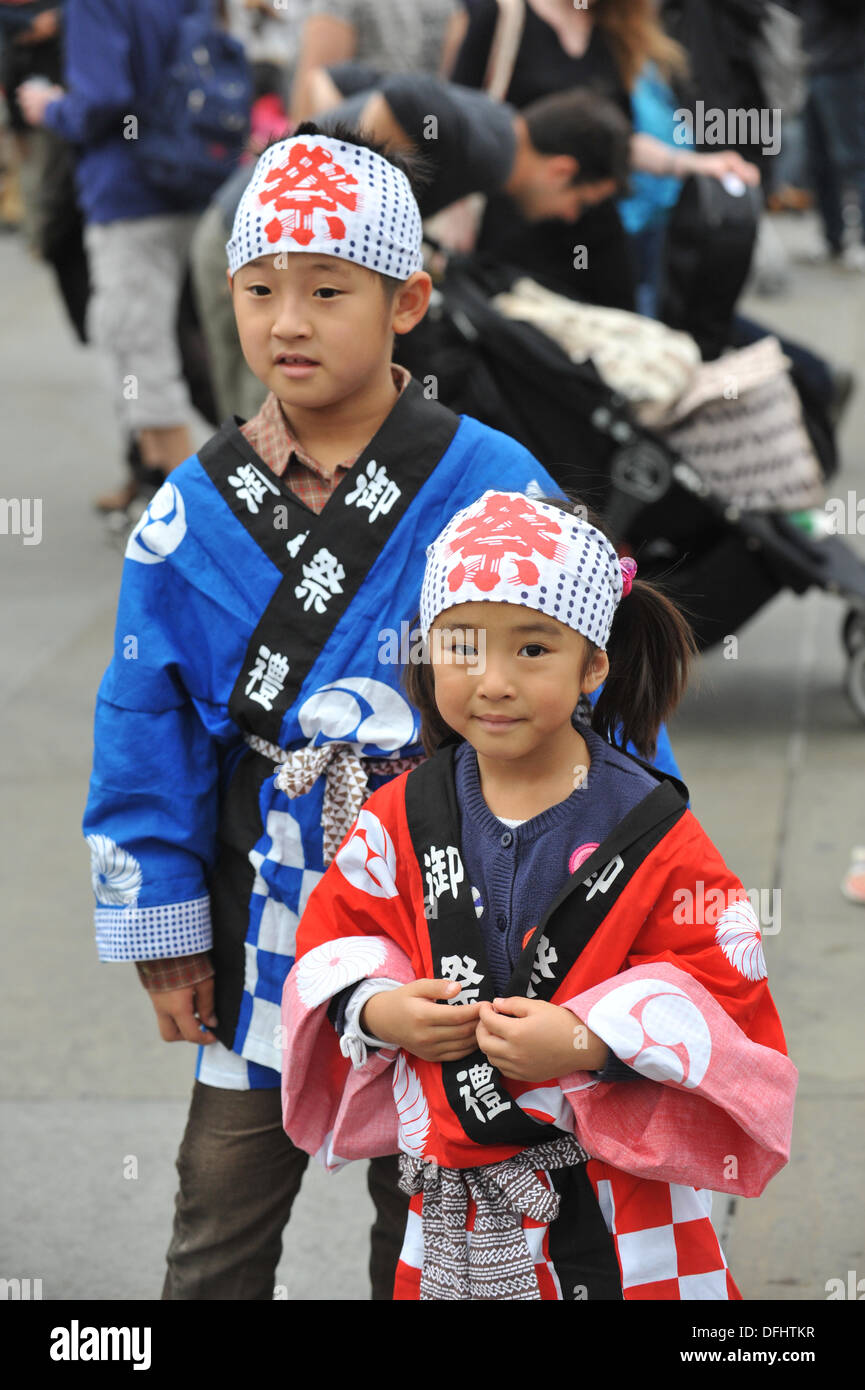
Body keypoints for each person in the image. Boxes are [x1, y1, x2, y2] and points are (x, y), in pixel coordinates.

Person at [82, 124, 588, 1300]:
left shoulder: (497, 480)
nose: (288, 322)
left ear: (407, 300)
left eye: (326, 289)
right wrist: (163, 930)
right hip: (264, 902)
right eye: (259, 290)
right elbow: (141, 715)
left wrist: (602, 878)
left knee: (430, 1199)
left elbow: (578, 684)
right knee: (220, 1209)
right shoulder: (190, 508)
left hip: (456, 896)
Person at [282, 489, 798, 1300]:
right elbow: (335, 939)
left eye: (531, 650)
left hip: (618, 1183)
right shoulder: (401, 813)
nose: (491, 682)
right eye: (461, 647)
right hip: (458, 1182)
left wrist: (589, 1041)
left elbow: (723, 984)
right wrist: (381, 1010)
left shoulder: (651, 826)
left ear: (594, 662)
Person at [17, 0, 223, 511]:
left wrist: (50, 106)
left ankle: (193, 520)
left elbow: (104, 98)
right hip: (194, 175)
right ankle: (166, 492)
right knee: (170, 344)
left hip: (129, 189)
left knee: (139, 349)